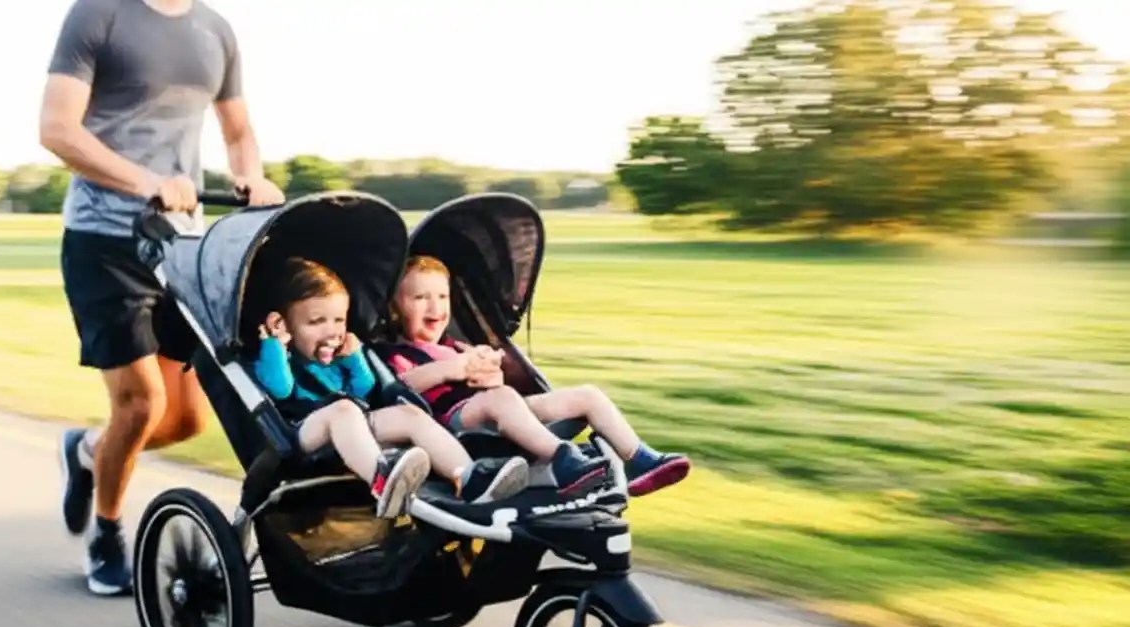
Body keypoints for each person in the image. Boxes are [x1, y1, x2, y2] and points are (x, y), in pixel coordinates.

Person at [40, 0, 286, 596]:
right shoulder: (98, 15)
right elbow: (56, 129)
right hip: (104, 239)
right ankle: (106, 534)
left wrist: (250, 174)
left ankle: (89, 452)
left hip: (181, 244)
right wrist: (146, 181)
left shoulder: (215, 30)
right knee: (141, 403)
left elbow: (238, 131)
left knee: (184, 419)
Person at [382, 255, 692, 498]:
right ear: (396, 308)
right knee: (501, 399)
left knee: (587, 395)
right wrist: (456, 368)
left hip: (498, 409)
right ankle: (563, 458)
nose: (435, 306)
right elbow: (402, 387)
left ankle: (638, 458)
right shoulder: (399, 353)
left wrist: (490, 374)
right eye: (420, 298)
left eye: (442, 297)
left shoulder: (459, 346)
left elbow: (498, 390)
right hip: (452, 422)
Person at [250, 257, 531, 509]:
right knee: (344, 410)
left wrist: (355, 358)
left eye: (338, 320)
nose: (331, 330)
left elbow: (363, 390)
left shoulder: (336, 362)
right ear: (282, 323)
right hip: (303, 431)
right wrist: (275, 342)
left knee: (408, 415)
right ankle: (383, 480)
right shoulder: (279, 358)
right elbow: (280, 389)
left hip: (353, 425)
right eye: (316, 322)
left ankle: (468, 477)